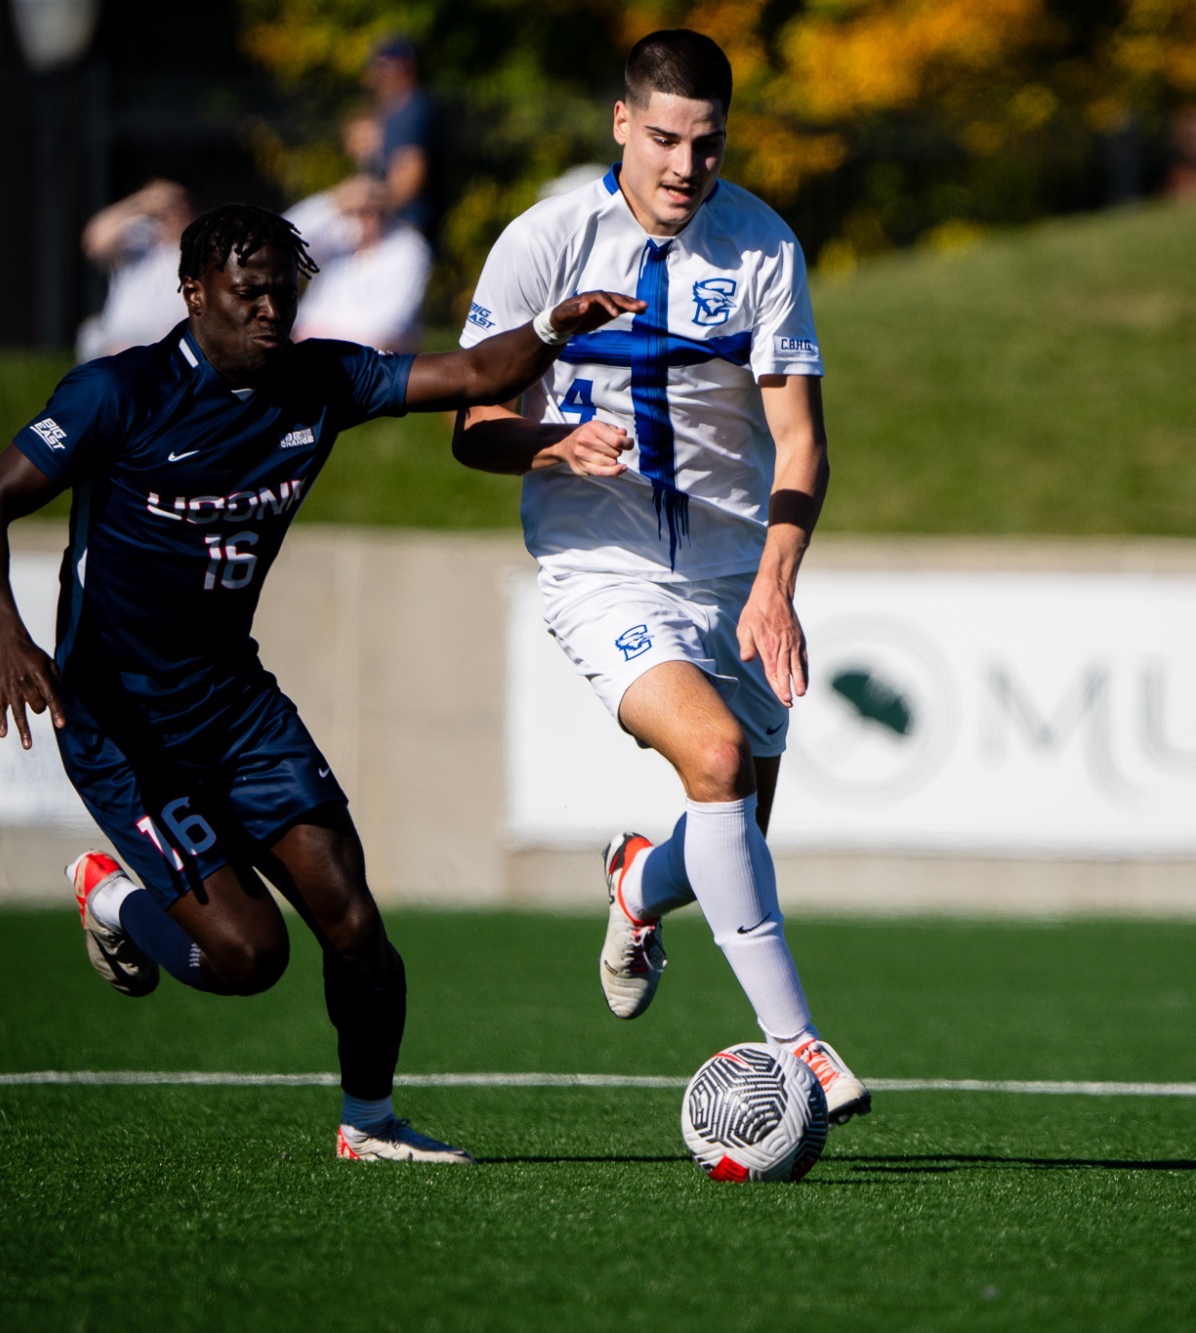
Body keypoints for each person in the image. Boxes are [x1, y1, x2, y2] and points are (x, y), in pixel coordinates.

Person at [0, 203, 641, 1163]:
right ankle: (113, 896)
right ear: (194, 295)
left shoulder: (322, 379)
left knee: (354, 920)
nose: (272, 310)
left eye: (285, 290)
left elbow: (477, 376)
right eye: (249, 293)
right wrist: (9, 637)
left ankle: (370, 1122)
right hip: (122, 727)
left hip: (236, 707)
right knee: (247, 958)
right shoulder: (117, 394)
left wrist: (555, 328)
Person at [452, 30, 869, 1125]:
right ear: (622, 125)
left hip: (738, 569)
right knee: (718, 755)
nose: (687, 167)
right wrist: (550, 445)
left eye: (710, 144)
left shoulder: (763, 247)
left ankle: (639, 880)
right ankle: (800, 1050)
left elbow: (801, 443)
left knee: (733, 821)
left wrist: (775, 581)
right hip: (601, 566)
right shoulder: (543, 241)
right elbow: (473, 426)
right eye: (668, 140)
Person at [286, 176, 432, 352]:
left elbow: (392, 321)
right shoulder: (338, 236)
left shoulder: (409, 249)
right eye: (357, 211)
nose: (364, 218)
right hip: (311, 343)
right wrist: (332, 202)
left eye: (372, 210)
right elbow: (282, 238)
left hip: (369, 353)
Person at [76, 179, 195, 362]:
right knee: (93, 336)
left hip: (172, 341)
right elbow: (95, 243)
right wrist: (141, 203)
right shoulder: (138, 238)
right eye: (165, 206)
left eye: (177, 203)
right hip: (121, 337)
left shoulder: (200, 249)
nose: (171, 212)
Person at [360, 36, 439, 237]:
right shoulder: (392, 111)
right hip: (395, 225)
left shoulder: (413, 110)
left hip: (409, 227)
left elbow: (411, 179)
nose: (380, 74)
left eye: (386, 67)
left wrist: (367, 202)